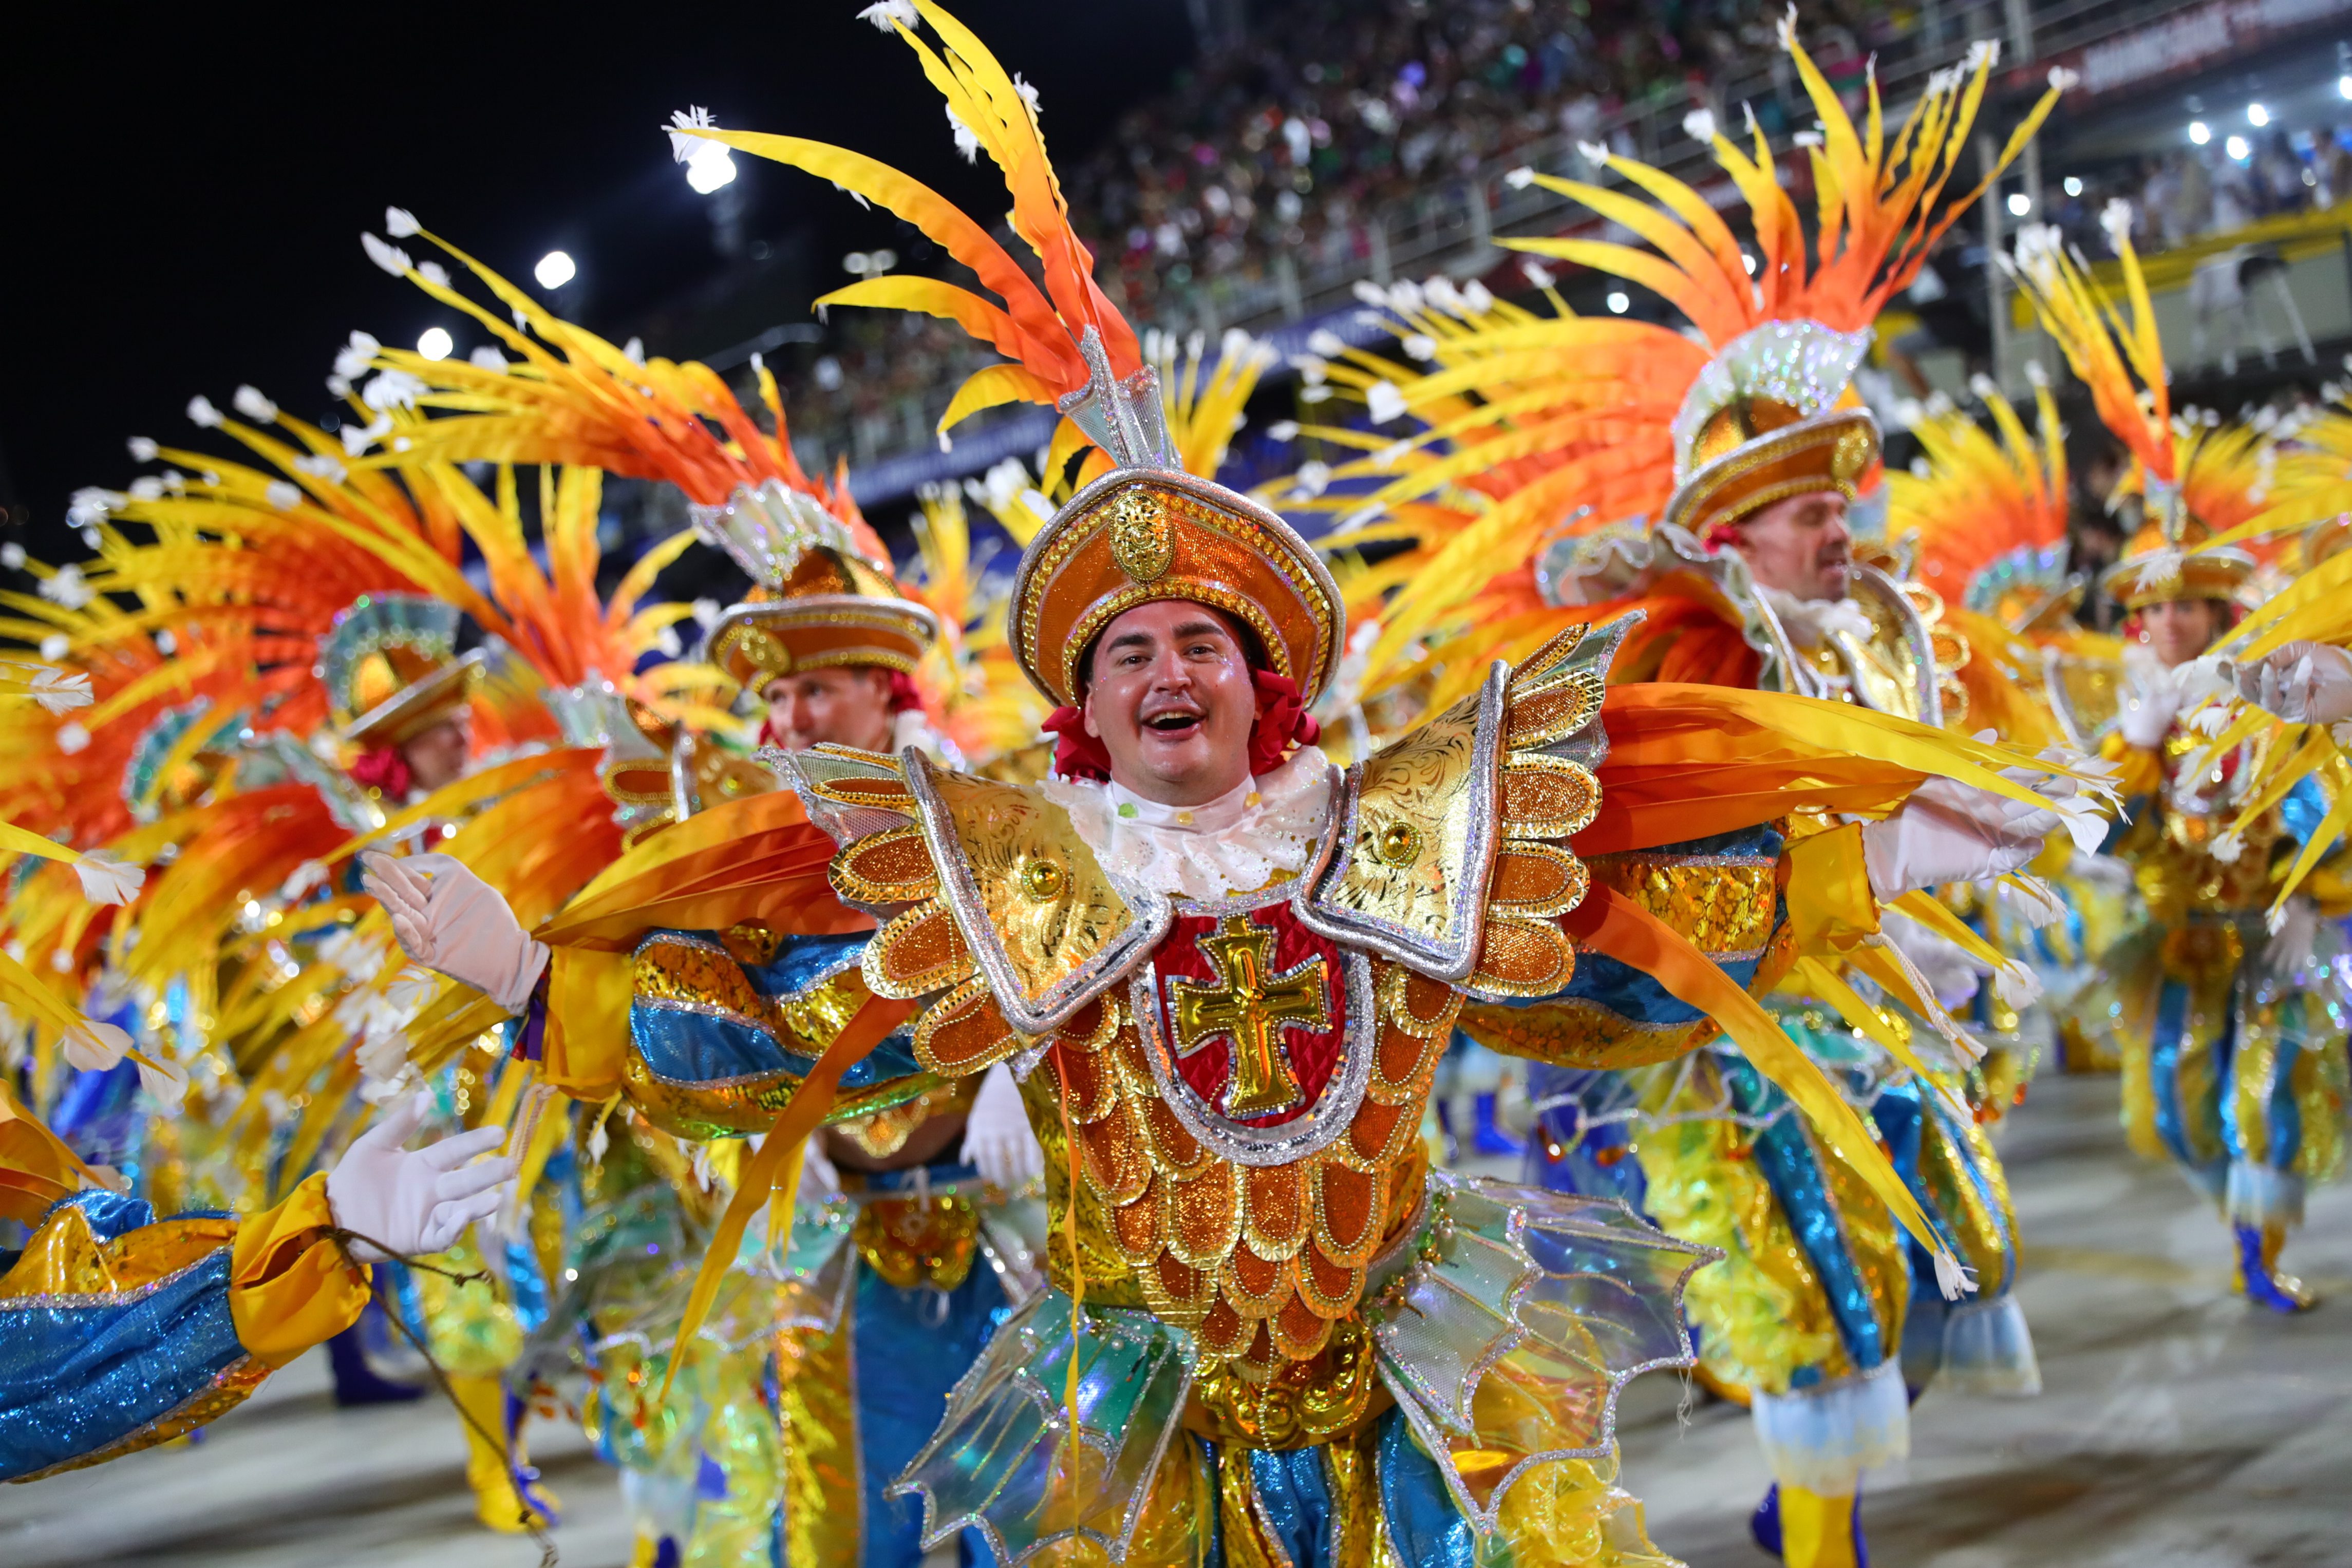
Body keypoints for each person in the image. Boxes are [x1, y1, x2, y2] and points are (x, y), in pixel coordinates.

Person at [369, 11, 2074, 1562]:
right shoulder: (1023, 877)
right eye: (1125, 652)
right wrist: (526, 978)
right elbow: (804, 1035)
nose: (1167, 669)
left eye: (1203, 642)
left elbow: (1625, 947)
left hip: (1407, 1398)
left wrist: (1875, 855)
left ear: (1267, 691)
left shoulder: (1389, 830)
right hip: (1146, 1424)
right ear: (1084, 716)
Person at [2018, 208, 2352, 1315]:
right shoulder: (2130, 711)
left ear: (2214, 613)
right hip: (2173, 943)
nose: (2169, 625)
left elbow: (2312, 804)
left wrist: (2305, 900)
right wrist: (2134, 755)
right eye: (2155, 612)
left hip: (2268, 930)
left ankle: (2260, 1251)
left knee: (2269, 1101)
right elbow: (2109, 833)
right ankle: (2240, 1226)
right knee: (2172, 1108)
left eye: (2187, 610)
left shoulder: (2267, 695)